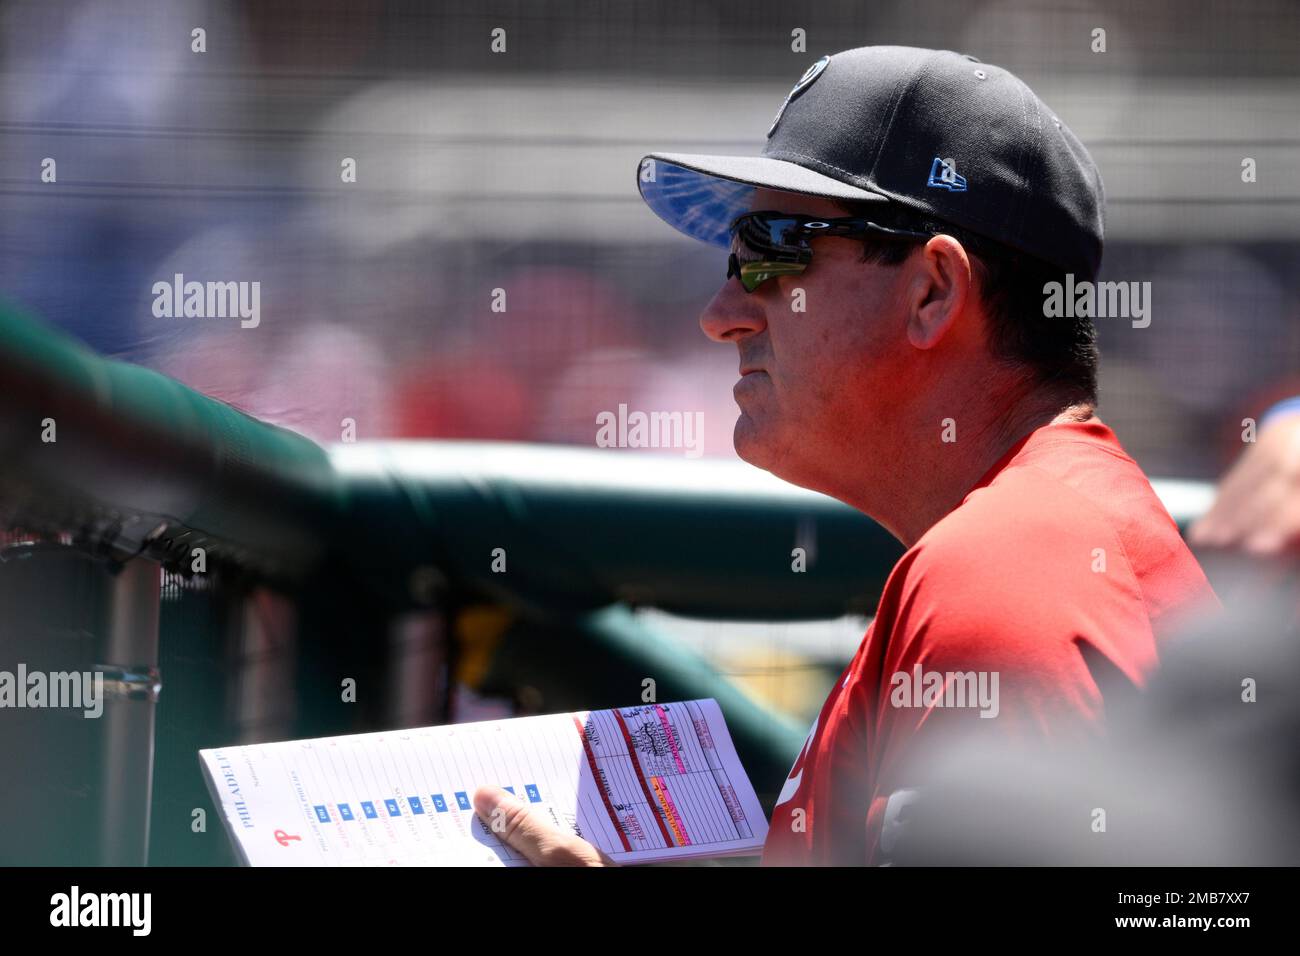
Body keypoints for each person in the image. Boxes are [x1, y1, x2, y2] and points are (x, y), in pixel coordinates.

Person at [473, 44, 1218, 866]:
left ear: (933, 290)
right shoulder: (1029, 543)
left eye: (773, 247)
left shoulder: (1007, 574)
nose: (721, 313)